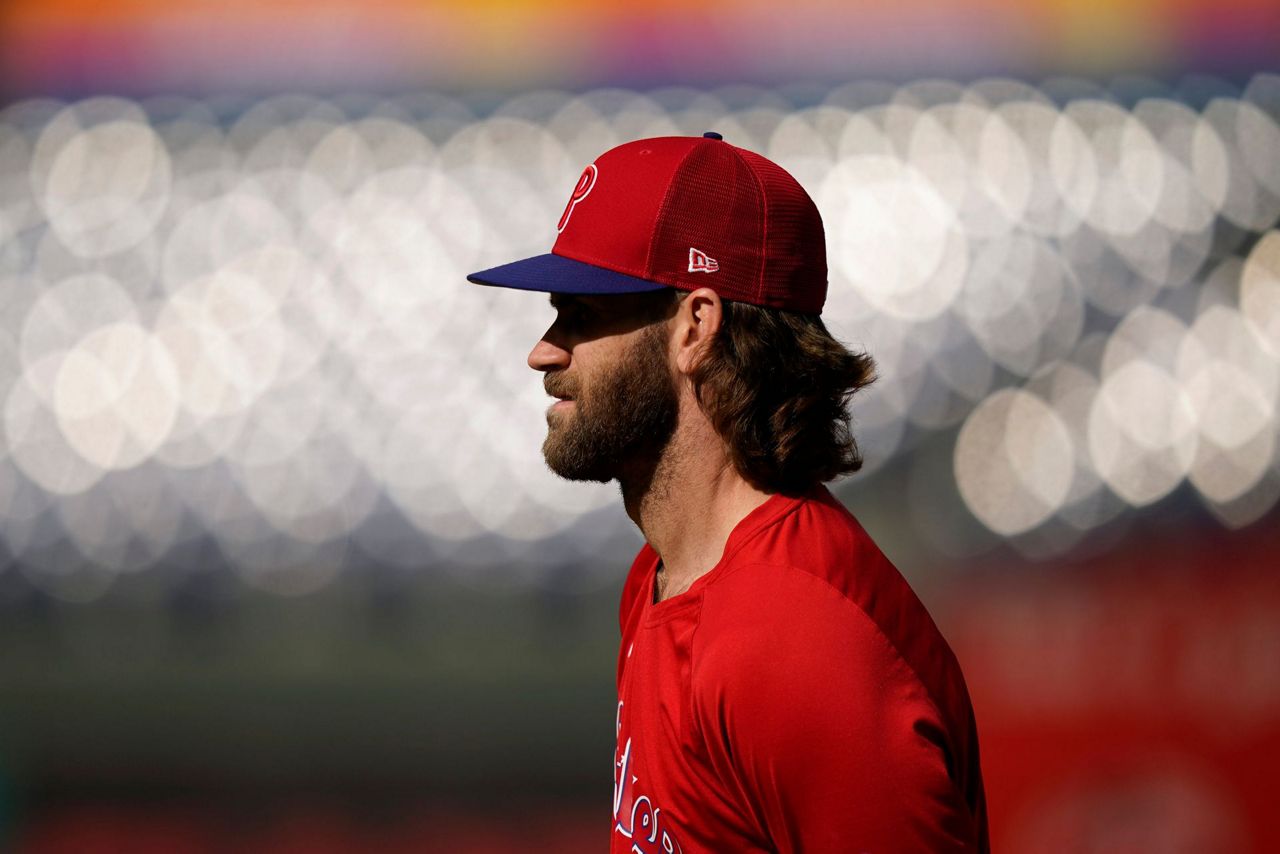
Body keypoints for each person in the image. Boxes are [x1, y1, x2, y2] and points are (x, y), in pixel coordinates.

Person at [467, 132, 988, 853]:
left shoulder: (793, 638)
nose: (544, 351)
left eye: (581, 314)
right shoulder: (659, 578)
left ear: (696, 327)